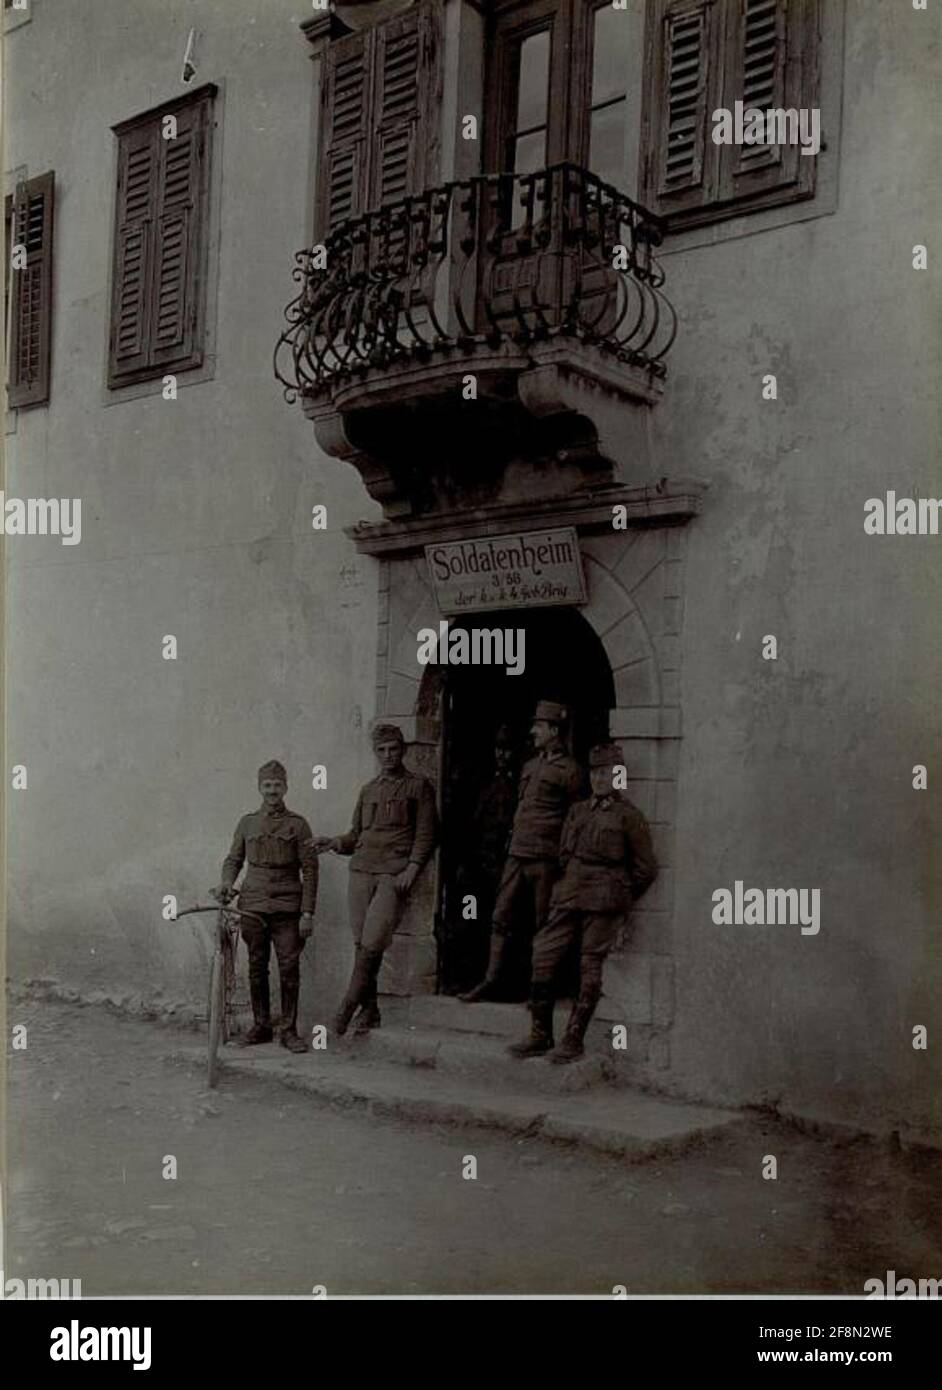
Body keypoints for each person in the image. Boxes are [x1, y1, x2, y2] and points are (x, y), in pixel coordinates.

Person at [508, 742, 658, 1064]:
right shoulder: (577, 811)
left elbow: (646, 868)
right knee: (542, 952)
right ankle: (540, 1033)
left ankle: (573, 1040)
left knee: (589, 966)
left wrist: (620, 894)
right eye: (595, 773)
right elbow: (564, 853)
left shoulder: (629, 817)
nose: (600, 779)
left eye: (607, 773)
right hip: (570, 894)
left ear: (618, 777)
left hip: (604, 900)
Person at [311, 724, 437, 1035]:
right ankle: (371, 1011)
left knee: (372, 943)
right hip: (361, 870)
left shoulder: (419, 786)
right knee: (361, 944)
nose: (388, 755)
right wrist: (334, 843)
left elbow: (427, 833)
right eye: (381, 750)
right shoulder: (369, 789)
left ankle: (346, 1009)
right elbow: (356, 834)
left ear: (403, 749)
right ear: (375, 753)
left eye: (393, 748)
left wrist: (412, 868)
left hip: (391, 874)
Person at [459, 700, 583, 1003]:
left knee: (544, 923)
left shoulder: (571, 771)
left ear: (554, 730)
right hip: (517, 853)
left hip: (545, 857)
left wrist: (564, 858)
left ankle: (542, 990)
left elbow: (576, 820)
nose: (533, 731)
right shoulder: (529, 765)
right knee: (500, 916)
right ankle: (491, 980)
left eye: (538, 726)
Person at [214, 760, 317, 1053]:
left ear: (286, 787)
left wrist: (308, 912)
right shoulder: (247, 823)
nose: (272, 791)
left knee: (289, 966)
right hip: (253, 905)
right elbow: (234, 859)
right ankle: (260, 1026)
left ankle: (289, 1030)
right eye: (267, 785)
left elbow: (310, 870)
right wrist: (226, 881)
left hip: (287, 906)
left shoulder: (299, 825)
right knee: (257, 966)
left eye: (277, 785)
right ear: (259, 788)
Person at [450, 724, 519, 994]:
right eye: (498, 749)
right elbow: (470, 827)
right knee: (471, 921)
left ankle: (504, 983)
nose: (501, 755)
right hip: (479, 868)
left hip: (507, 867)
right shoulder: (483, 784)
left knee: (504, 924)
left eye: (507, 750)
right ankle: (469, 978)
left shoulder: (519, 785)